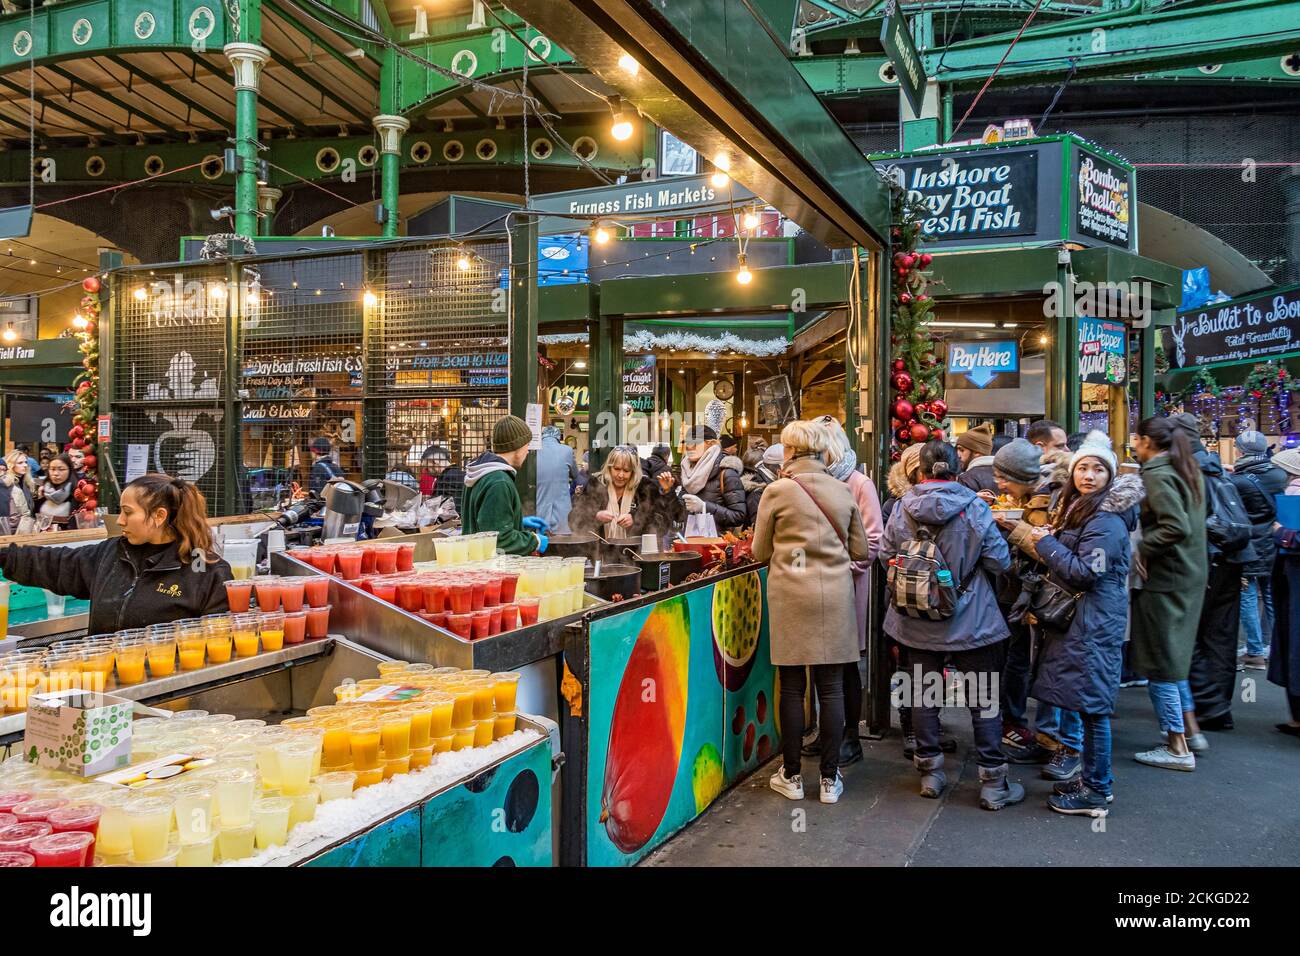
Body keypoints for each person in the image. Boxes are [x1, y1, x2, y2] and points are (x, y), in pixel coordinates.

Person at [880, 440, 1021, 810]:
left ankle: (930, 772)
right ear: (958, 471)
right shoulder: (975, 507)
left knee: (923, 694)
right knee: (983, 697)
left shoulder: (902, 508)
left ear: (920, 472)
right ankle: (992, 782)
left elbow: (885, 556)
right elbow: (999, 561)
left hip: (915, 619)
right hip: (971, 618)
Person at [753, 420, 871, 805]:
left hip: (790, 597)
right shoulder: (842, 490)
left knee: (791, 688)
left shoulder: (777, 491)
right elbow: (861, 552)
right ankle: (829, 779)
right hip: (834, 599)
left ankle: (791, 776)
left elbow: (759, 552)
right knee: (832, 688)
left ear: (789, 452)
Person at [1028, 432, 1142, 816]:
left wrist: (1044, 543)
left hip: (1093, 622)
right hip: (1086, 620)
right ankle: (1093, 780)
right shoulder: (1085, 509)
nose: (1088, 475)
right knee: (1087, 703)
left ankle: (1097, 790)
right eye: (1083, 468)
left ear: (1110, 474)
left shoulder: (1106, 519)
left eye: (1097, 469)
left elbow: (1083, 572)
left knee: (1093, 709)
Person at [0, 473, 232, 632]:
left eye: (127, 512)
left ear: (159, 516)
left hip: (170, 691)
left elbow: (219, 643)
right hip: (105, 688)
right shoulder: (112, 554)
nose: (119, 521)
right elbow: (55, 564)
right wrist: (3, 556)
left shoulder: (207, 572)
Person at [1130, 416, 1207, 771]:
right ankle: (1191, 733)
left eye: (1135, 437)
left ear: (1146, 441)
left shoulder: (1156, 474)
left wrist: (1143, 548)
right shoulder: (1185, 468)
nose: (1132, 443)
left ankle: (1177, 745)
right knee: (1173, 656)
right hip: (1188, 573)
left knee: (1160, 659)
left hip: (1167, 577)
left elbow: (1174, 525)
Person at [1170, 412, 1251, 731]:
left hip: (1206, 558)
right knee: (1221, 634)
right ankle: (1220, 704)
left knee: (1189, 632)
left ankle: (1207, 702)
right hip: (1232, 557)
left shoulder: (1187, 469)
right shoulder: (1215, 465)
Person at [815, 415, 884, 765]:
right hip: (816, 587)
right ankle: (827, 733)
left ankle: (850, 736)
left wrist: (845, 568)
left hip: (847, 588)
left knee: (844, 666)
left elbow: (873, 539)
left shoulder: (859, 483)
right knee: (820, 663)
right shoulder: (811, 483)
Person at [1229, 430, 1287, 670]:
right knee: (1271, 596)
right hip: (1273, 542)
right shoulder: (1279, 475)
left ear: (1241, 451)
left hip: (1249, 544)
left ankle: (1254, 650)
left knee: (1248, 595)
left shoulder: (1238, 481)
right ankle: (1272, 647)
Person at [461, 415, 548, 556]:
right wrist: (535, 541)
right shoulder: (499, 481)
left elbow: (485, 522)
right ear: (518, 447)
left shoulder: (480, 473)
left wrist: (517, 521)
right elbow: (498, 539)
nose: (527, 451)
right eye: (527, 446)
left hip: (476, 562)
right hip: (492, 567)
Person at [569, 445, 682, 541]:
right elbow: (574, 519)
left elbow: (663, 522)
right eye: (617, 469)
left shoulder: (645, 486)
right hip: (601, 554)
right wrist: (596, 516)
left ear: (634, 471)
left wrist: (636, 518)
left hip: (637, 555)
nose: (621, 475)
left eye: (626, 471)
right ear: (609, 468)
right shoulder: (596, 484)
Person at [679, 425, 747, 532]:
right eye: (687, 443)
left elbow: (738, 516)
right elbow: (677, 515)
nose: (689, 447)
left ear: (710, 444)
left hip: (716, 545)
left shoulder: (726, 473)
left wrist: (704, 507)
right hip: (689, 543)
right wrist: (667, 491)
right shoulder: (687, 473)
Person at [536, 426, 579, 534]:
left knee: (540, 546)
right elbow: (575, 475)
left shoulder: (533, 451)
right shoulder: (567, 450)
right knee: (562, 548)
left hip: (538, 513)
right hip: (562, 514)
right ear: (558, 437)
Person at [0, 450, 37, 536]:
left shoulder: (26, 483)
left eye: (25, 462)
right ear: (11, 465)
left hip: (25, 530)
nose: (25, 465)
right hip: (11, 533)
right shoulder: (7, 484)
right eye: (20, 463)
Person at [37, 453, 77, 531]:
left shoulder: (77, 494)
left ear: (70, 470)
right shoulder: (43, 492)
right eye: (52, 469)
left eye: (61, 469)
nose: (56, 474)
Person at [956, 423, 997, 493]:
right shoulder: (1004, 476)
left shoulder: (966, 478)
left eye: (962, 450)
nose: (958, 455)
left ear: (977, 452)